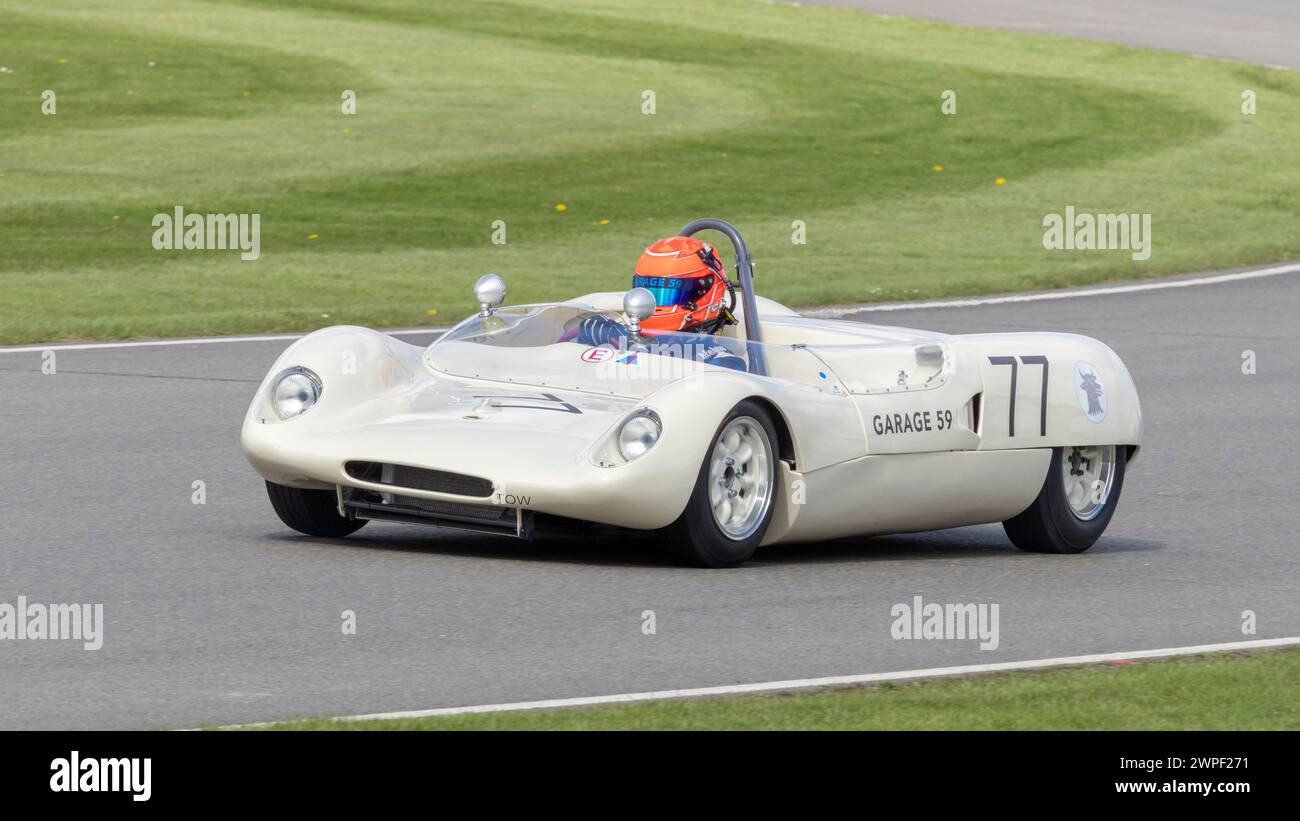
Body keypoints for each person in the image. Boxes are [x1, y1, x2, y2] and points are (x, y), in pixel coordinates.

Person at [574, 235, 746, 371]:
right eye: (647, 291)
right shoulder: (615, 335)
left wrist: (638, 347)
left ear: (705, 291)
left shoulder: (724, 362)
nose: (653, 304)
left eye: (668, 293)